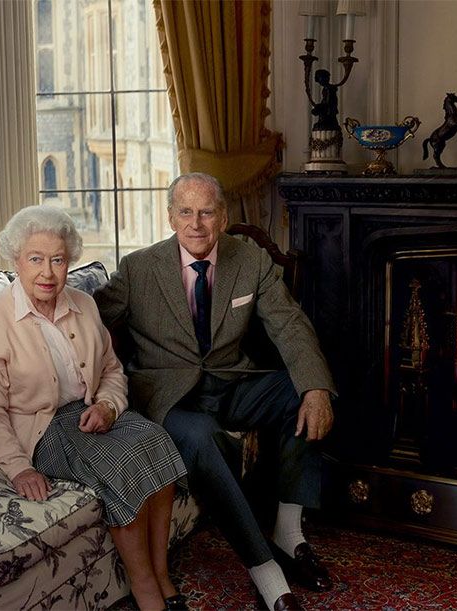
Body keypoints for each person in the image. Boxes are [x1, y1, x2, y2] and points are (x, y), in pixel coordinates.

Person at [94, 173, 337, 611]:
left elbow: (289, 325)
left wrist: (316, 387)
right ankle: (266, 571)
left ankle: (288, 532)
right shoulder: (137, 269)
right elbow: (90, 322)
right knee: (202, 434)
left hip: (230, 382)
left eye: (206, 212)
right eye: (185, 212)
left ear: (223, 217)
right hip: (167, 398)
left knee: (296, 392)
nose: (196, 224)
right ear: (171, 218)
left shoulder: (252, 261)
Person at [0, 205, 188, 611]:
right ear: (15, 261)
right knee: (121, 462)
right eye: (35, 259)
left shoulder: (83, 304)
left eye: (58, 260)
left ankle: (161, 572)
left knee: (155, 439)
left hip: (90, 414)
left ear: (69, 262)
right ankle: (146, 589)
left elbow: (112, 370)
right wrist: (19, 467)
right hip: (42, 432)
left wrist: (108, 406)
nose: (47, 273)